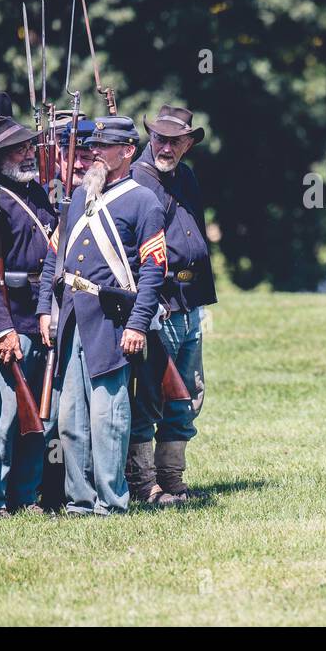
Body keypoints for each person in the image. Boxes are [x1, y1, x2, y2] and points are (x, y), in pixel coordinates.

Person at [36, 116, 165, 515]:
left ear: (127, 151)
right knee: (71, 417)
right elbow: (53, 258)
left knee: (109, 417)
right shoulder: (79, 196)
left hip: (111, 319)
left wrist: (138, 323)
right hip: (73, 317)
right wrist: (44, 307)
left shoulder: (144, 201)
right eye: (93, 145)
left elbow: (153, 269)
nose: (94, 152)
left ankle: (111, 499)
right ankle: (80, 499)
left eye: (104, 146)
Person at [129, 105, 216, 504]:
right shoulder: (137, 179)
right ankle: (144, 483)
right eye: (160, 139)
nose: (166, 147)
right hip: (157, 301)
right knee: (149, 396)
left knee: (186, 393)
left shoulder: (187, 177)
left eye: (175, 141)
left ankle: (173, 478)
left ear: (187, 144)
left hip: (188, 300)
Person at [0, 116, 58, 517]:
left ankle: (25, 495)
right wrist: (1, 326)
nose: (28, 154)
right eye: (18, 149)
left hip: (43, 315)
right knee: (4, 419)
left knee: (39, 414)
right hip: (12, 318)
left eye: (29, 147)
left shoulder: (38, 194)